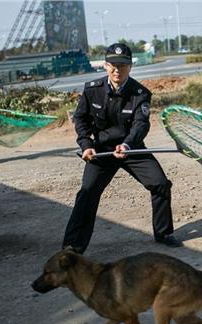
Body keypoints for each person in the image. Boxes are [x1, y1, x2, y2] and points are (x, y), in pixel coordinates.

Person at [62, 43, 182, 254]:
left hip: (131, 148)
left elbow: (141, 125)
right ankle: (73, 246)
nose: (118, 70)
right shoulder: (92, 90)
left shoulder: (140, 93)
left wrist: (127, 144)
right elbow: (80, 119)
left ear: (130, 67)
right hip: (102, 151)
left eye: (123, 65)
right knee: (88, 191)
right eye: (113, 65)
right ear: (106, 66)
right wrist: (86, 144)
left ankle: (163, 233)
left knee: (160, 184)